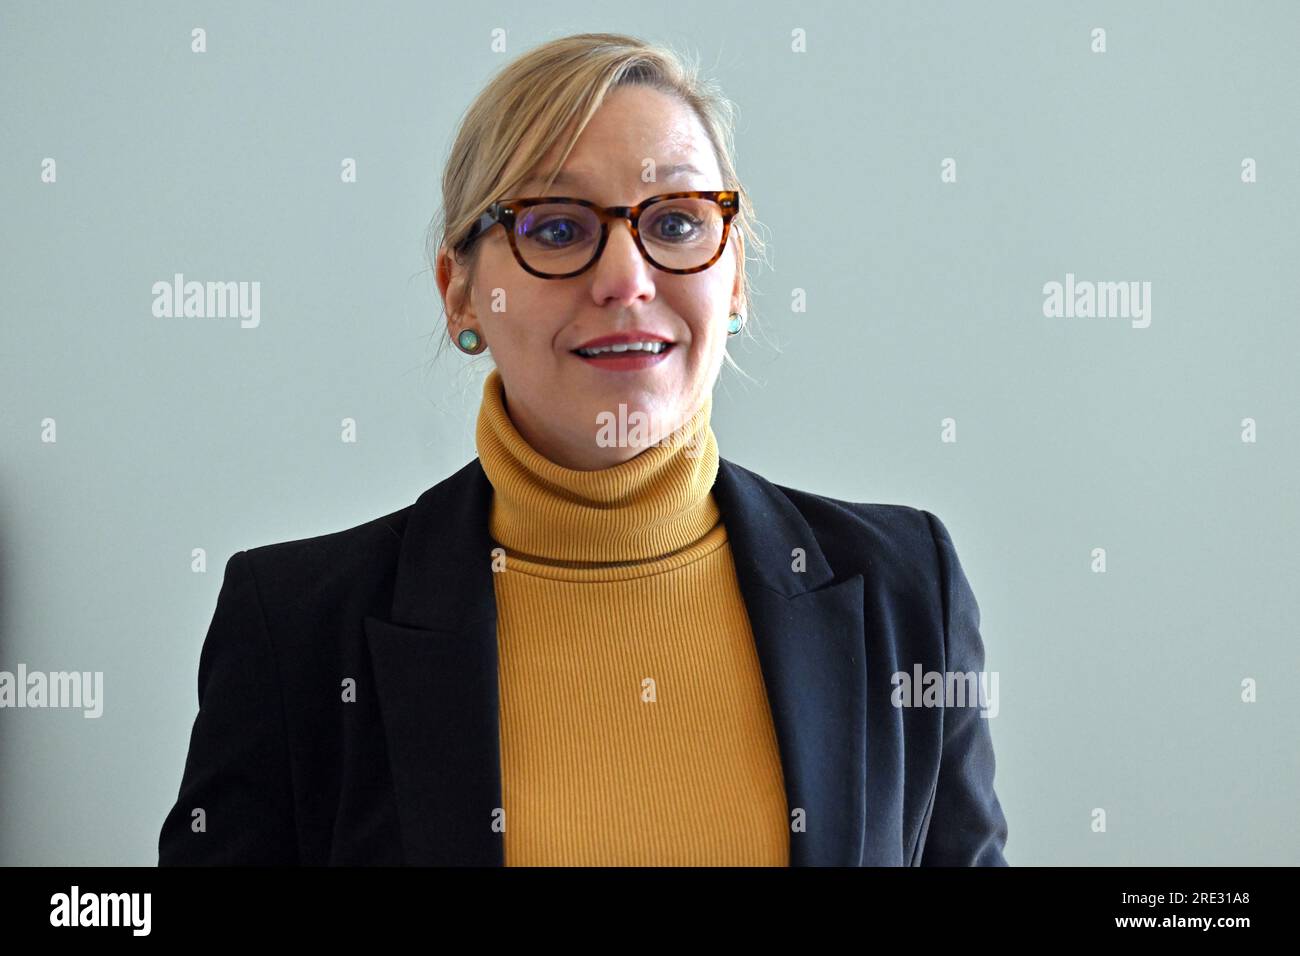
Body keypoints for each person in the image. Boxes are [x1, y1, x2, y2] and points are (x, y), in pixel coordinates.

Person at [158, 31, 1008, 866]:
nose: (626, 278)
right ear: (461, 294)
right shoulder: (298, 625)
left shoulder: (907, 589)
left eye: (675, 221)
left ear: (735, 276)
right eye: (557, 230)